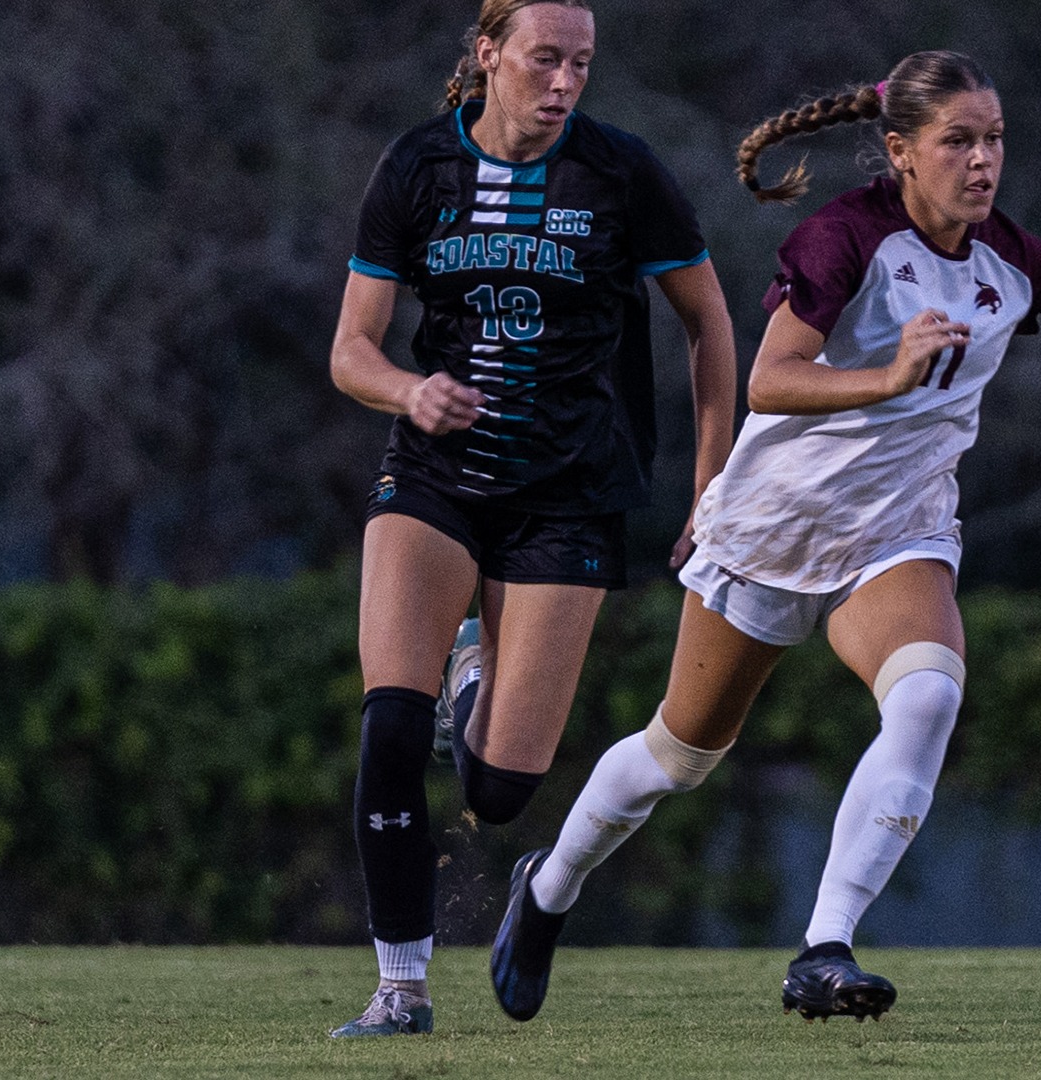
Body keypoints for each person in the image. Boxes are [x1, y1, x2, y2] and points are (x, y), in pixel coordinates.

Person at [486, 49, 1041, 1024]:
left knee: (925, 696)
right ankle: (547, 889)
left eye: (994, 139)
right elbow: (772, 381)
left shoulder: (1013, 258)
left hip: (898, 531)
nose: (982, 161)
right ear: (900, 152)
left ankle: (824, 948)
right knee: (681, 754)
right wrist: (886, 376)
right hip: (774, 526)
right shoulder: (848, 238)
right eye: (957, 141)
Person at [325, 0, 735, 1037]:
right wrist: (407, 394)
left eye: (581, 64)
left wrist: (712, 488)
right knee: (387, 724)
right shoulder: (416, 168)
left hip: (572, 489)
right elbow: (352, 351)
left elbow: (711, 327)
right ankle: (401, 987)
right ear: (489, 54)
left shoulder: (621, 174)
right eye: (544, 59)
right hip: (436, 474)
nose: (562, 83)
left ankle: (477, 685)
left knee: (503, 791)